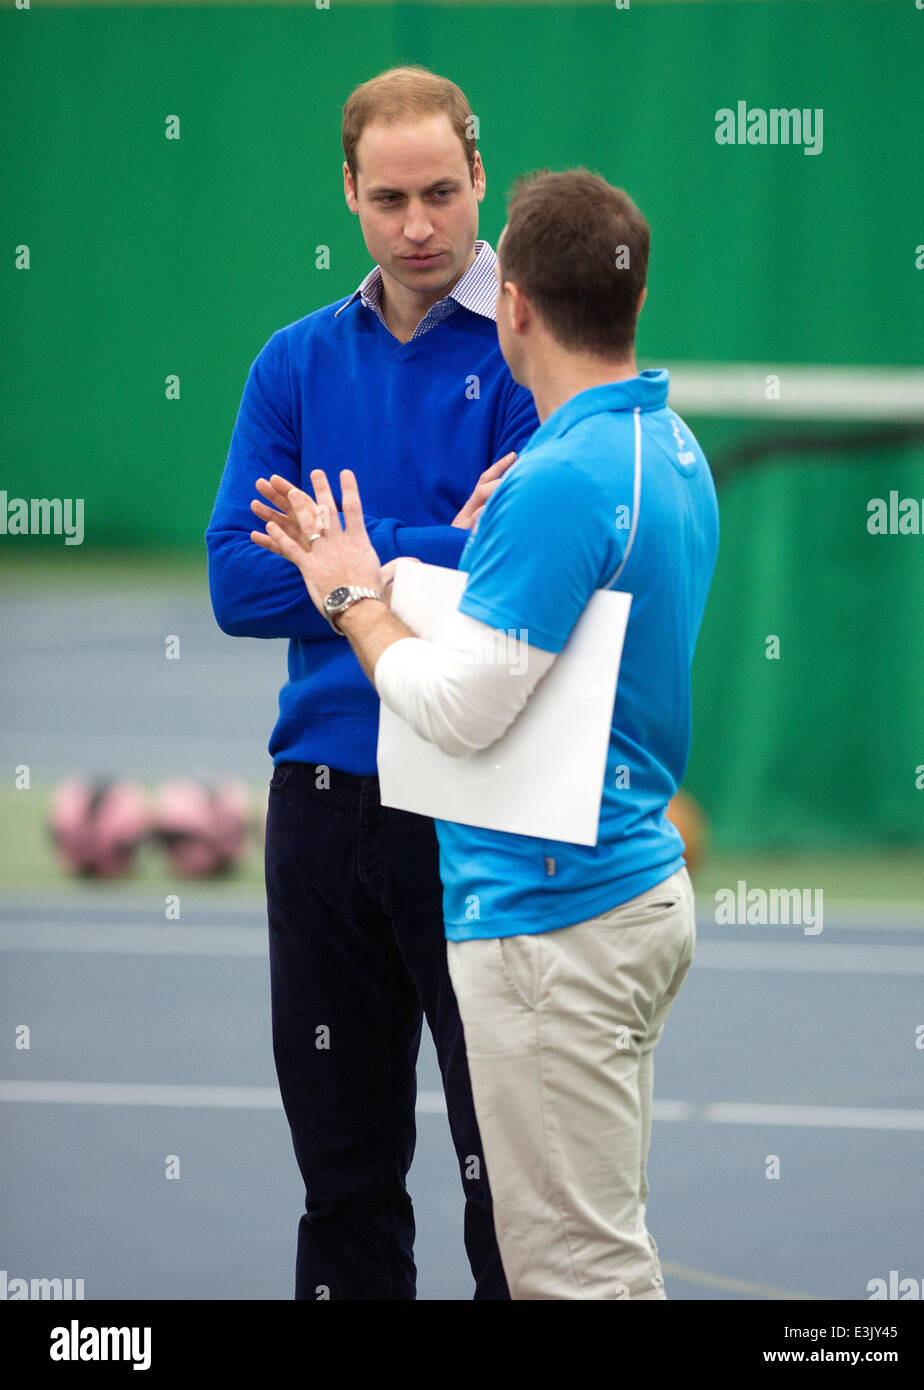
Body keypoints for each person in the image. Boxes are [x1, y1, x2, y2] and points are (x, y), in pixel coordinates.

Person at [251, 168, 720, 1300]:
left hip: (553, 918)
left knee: (573, 1274)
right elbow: (543, 643)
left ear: (511, 303)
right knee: (595, 1253)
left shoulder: (558, 479)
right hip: (624, 894)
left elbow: (461, 704)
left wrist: (353, 597)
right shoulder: (667, 445)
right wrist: (415, 564)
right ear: (635, 298)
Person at [206, 66, 539, 1301]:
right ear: (348, 192)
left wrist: (346, 565)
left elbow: (521, 568)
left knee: (505, 1187)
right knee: (343, 1184)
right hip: (321, 807)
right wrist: (416, 557)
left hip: (472, 808)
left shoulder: (531, 342)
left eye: (442, 193)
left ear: (479, 180)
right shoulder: (291, 364)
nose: (418, 224)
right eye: (389, 196)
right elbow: (237, 585)